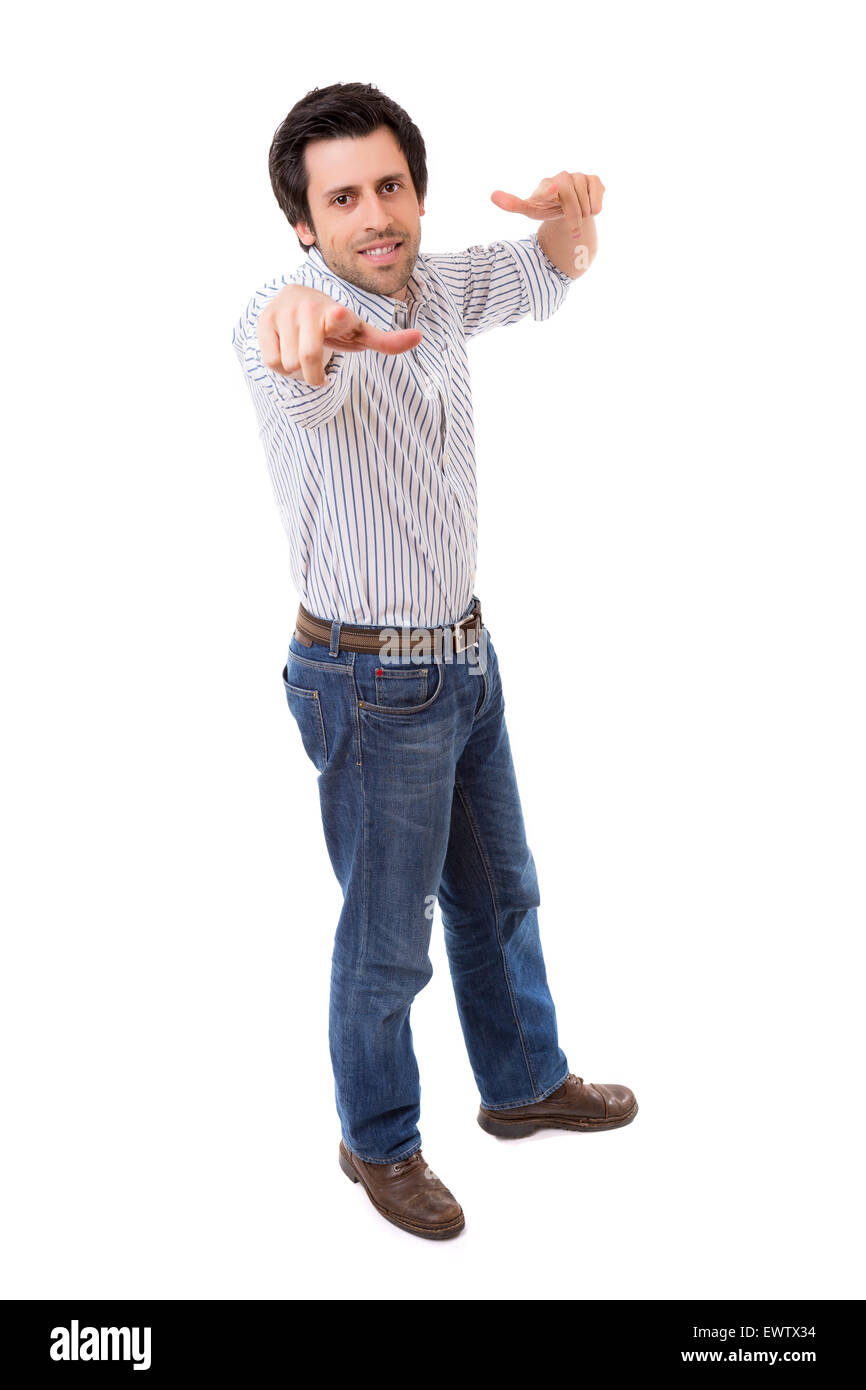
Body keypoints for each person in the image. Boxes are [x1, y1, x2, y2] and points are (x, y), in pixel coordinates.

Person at [231, 81, 637, 1241]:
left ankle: (521, 1084)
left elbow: (551, 267)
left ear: (415, 191)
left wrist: (572, 215)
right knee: (383, 937)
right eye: (343, 197)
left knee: (501, 893)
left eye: (390, 186)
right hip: (367, 682)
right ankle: (377, 1141)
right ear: (304, 223)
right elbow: (287, 361)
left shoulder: (440, 287)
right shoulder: (282, 314)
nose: (375, 215)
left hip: (462, 656)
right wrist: (312, 346)